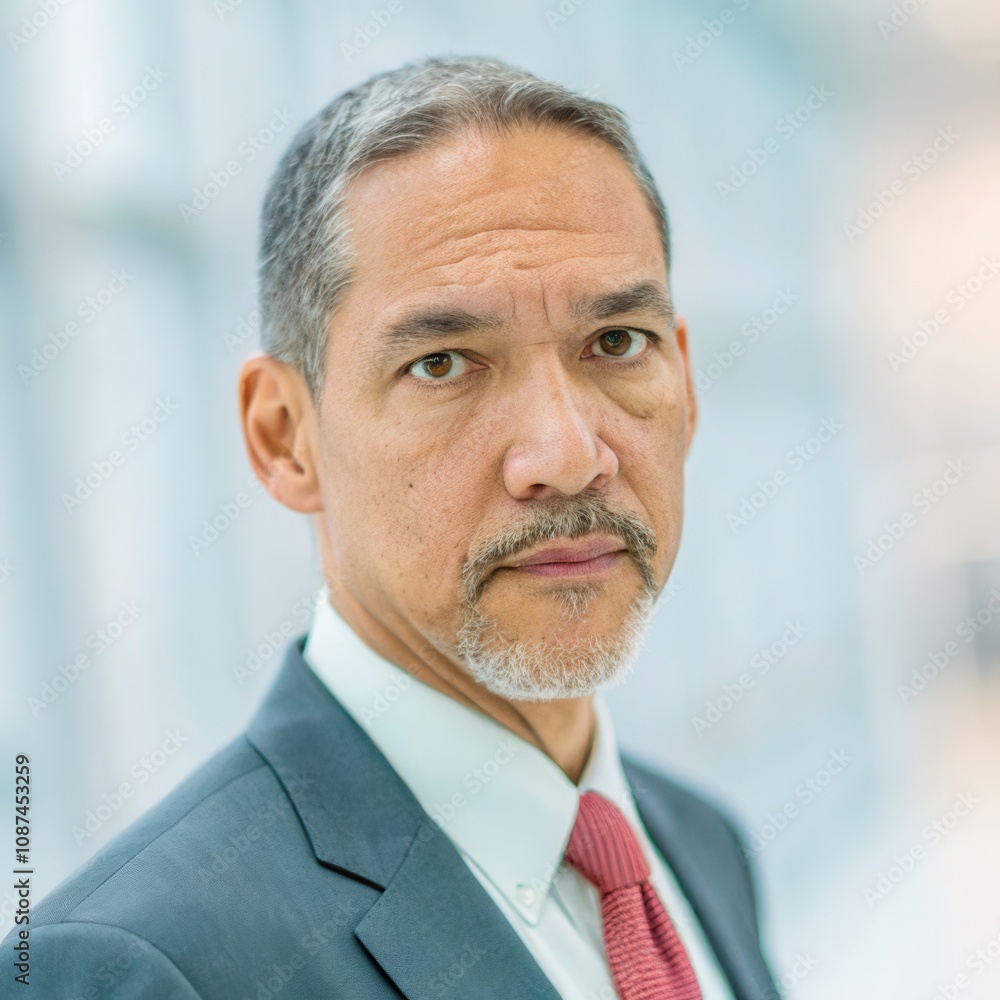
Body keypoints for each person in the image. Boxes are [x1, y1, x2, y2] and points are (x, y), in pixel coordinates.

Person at [2, 57, 780, 999]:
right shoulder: (138, 966)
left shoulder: (698, 845)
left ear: (687, 386)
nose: (569, 454)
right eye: (445, 363)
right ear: (285, 437)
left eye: (617, 343)